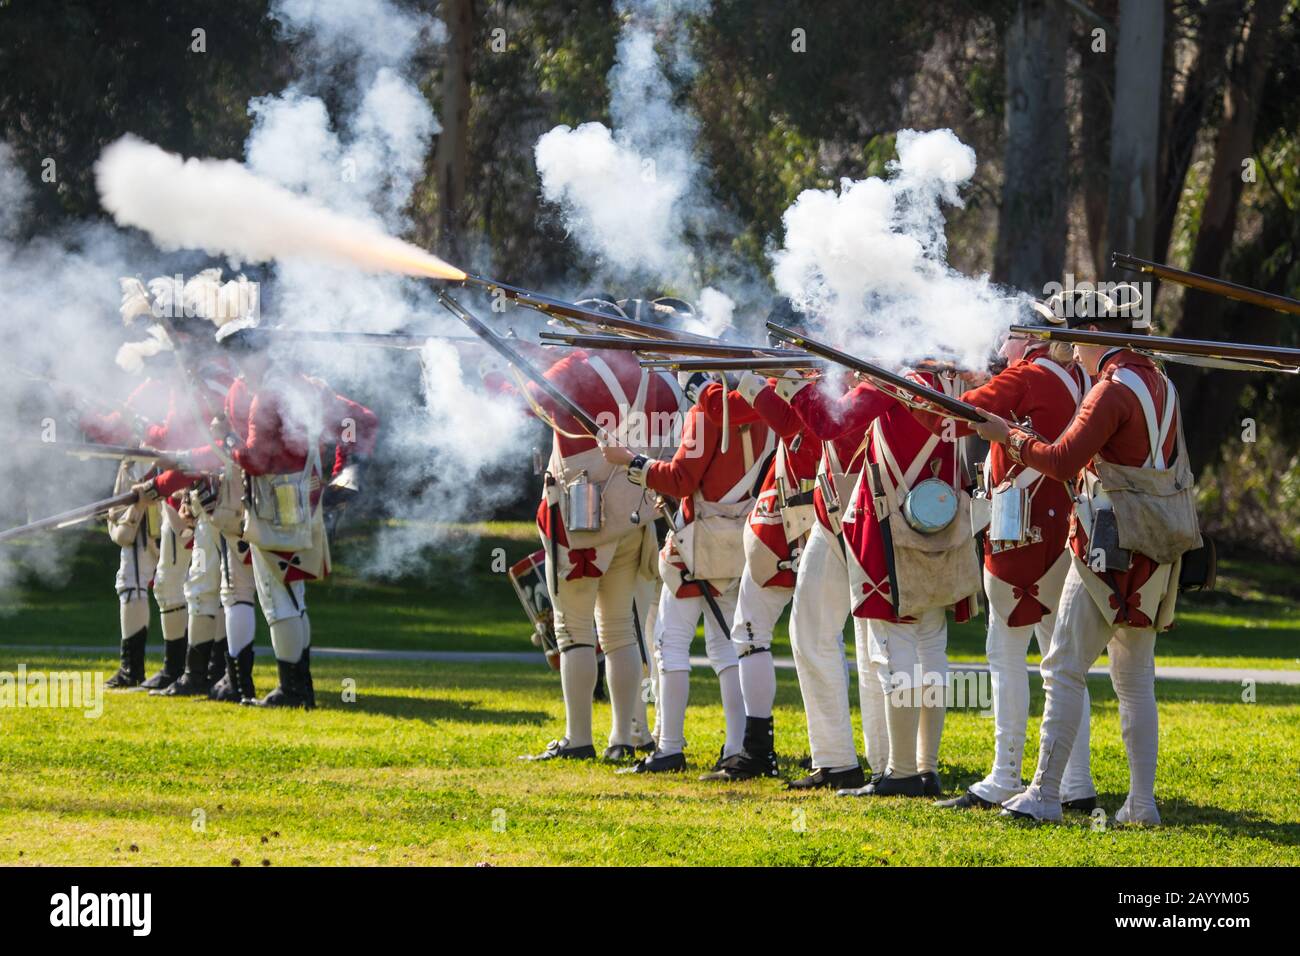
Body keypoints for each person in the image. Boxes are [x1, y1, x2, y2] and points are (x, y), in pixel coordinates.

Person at [972, 294, 1196, 824]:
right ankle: (1141, 803)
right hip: (1154, 543)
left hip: (1107, 544)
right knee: (1134, 680)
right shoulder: (1161, 384)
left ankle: (1047, 793)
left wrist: (1010, 437)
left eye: (1077, 338)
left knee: (1062, 667)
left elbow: (1061, 459)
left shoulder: (1111, 390)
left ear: (1095, 333)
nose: (1072, 349)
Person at [911, 308, 1098, 811]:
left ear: (1025, 339)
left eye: (1005, 337)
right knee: (1061, 660)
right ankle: (1075, 783)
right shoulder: (1077, 374)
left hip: (1024, 531)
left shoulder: (1024, 376)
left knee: (1006, 652)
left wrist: (909, 384)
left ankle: (1003, 775)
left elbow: (944, 416)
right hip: (1068, 529)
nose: (997, 344)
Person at [488, 295, 687, 761]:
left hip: (580, 516)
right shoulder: (652, 374)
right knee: (619, 631)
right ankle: (623, 739)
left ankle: (578, 739)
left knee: (573, 630)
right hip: (634, 513)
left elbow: (518, 404)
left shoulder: (571, 371)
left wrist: (510, 365)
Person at [162, 316, 379, 708]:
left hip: (274, 506)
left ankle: (293, 690)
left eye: (241, 356)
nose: (239, 366)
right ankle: (298, 685)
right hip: (301, 504)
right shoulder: (305, 386)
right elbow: (355, 422)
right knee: (291, 596)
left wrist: (227, 441)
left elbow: (256, 459)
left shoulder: (267, 395)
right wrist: (346, 467)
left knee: (277, 598)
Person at [603, 380, 775, 773]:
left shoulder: (704, 414)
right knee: (728, 648)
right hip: (740, 537)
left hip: (697, 539)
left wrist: (633, 462)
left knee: (670, 642)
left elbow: (681, 478)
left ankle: (669, 748)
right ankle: (736, 745)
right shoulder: (766, 413)